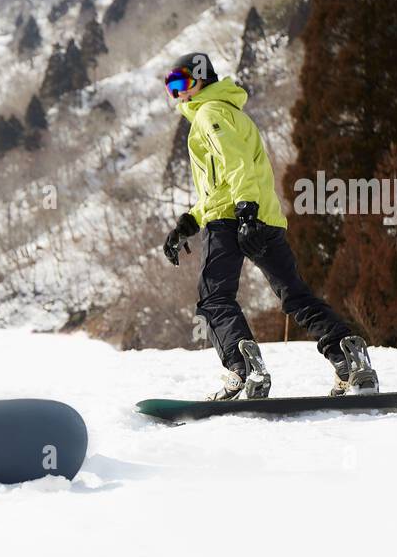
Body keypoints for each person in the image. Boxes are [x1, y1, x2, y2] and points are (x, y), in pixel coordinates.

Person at [159, 52, 379, 399]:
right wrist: (188, 223)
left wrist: (244, 213)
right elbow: (222, 183)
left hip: (232, 219)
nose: (177, 94)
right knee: (295, 295)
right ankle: (351, 360)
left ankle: (244, 370)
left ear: (201, 78)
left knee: (214, 298)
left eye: (181, 83)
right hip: (265, 220)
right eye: (170, 87)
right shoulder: (234, 114)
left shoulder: (208, 114)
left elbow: (236, 166)